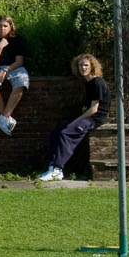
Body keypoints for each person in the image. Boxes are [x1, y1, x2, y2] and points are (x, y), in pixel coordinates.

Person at [38, 54, 111, 182]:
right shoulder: (88, 83)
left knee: (65, 133)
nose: (83, 68)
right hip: (87, 117)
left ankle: (58, 169)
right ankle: (51, 166)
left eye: (86, 65)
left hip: (94, 119)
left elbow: (94, 109)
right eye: (80, 65)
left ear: (92, 66)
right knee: (56, 132)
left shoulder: (97, 82)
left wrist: (76, 121)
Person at [0, 15, 28, 135]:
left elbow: (19, 61)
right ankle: (6, 118)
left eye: (5, 26)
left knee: (22, 79)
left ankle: (4, 117)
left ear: (11, 27)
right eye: (0, 26)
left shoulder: (17, 40)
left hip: (12, 67)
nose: (2, 28)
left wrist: (6, 70)